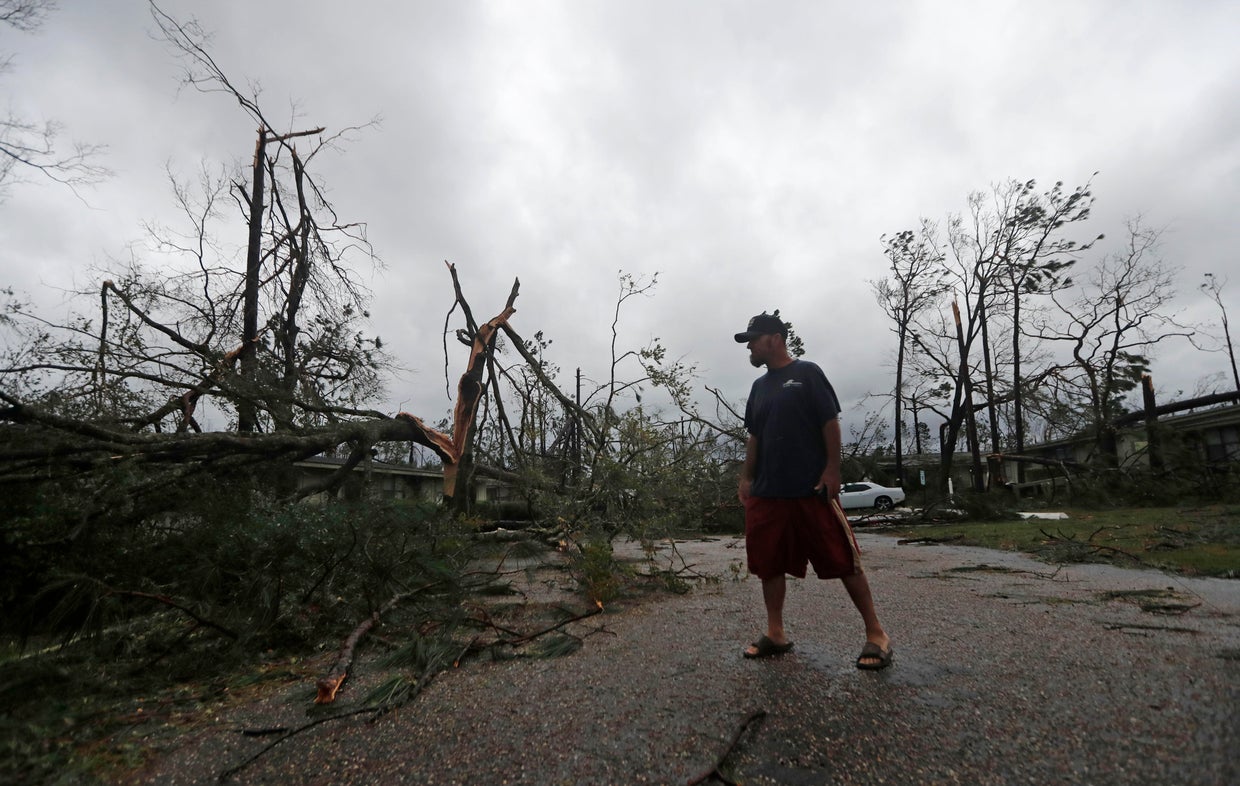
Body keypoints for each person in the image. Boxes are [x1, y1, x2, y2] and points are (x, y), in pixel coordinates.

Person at [734, 311, 893, 669]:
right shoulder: (759, 388)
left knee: (842, 559)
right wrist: (747, 478)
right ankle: (776, 633)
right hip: (768, 491)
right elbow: (754, 436)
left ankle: (876, 634)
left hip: (811, 488)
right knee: (768, 563)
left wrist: (833, 469)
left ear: (774, 338)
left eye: (753, 340)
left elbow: (830, 422)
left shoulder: (807, 374)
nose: (750, 348)